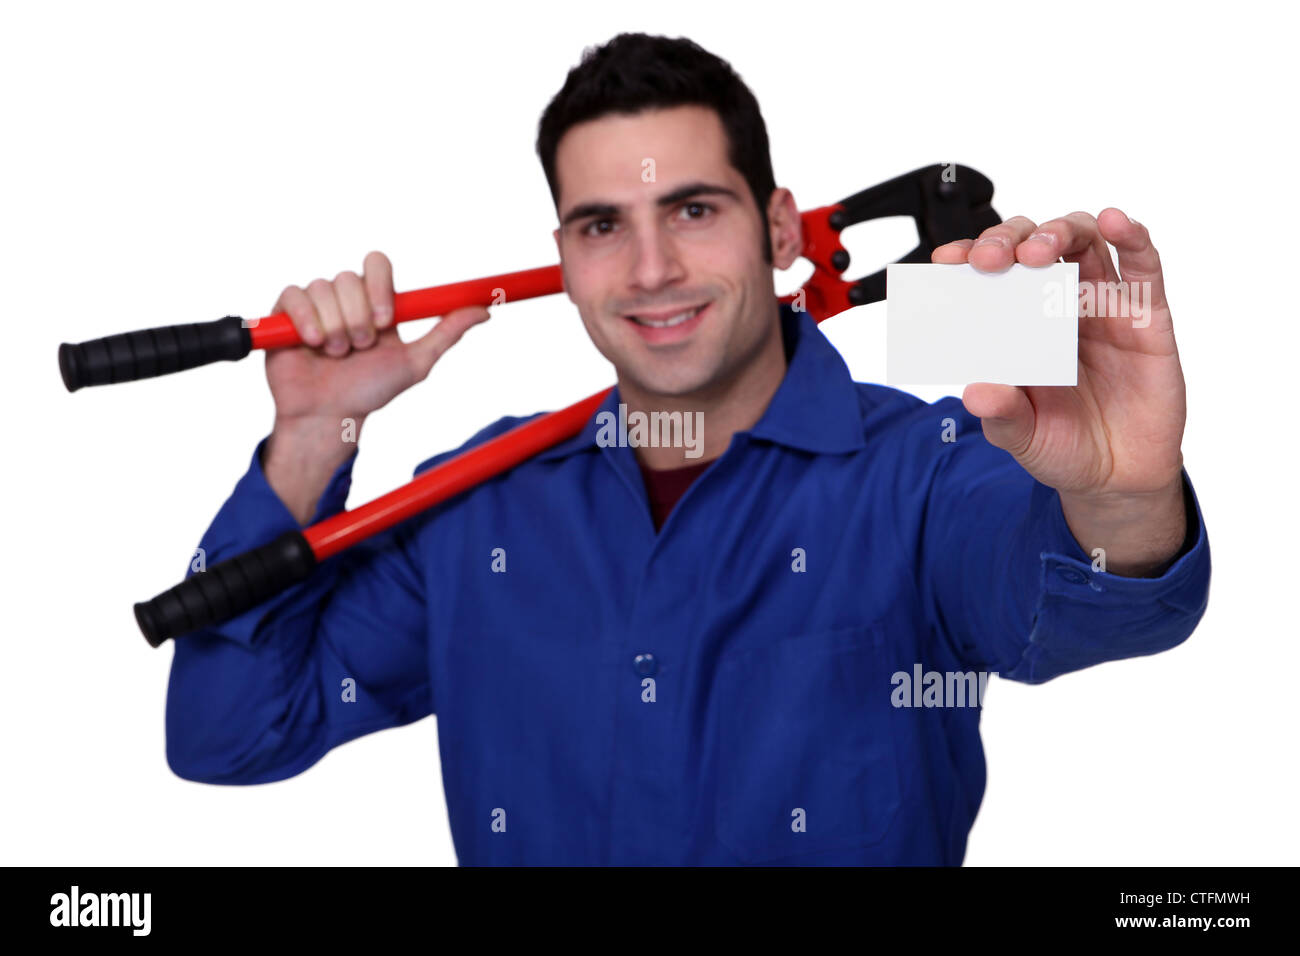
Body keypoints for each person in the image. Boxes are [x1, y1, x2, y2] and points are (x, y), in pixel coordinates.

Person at [165, 32, 1210, 865]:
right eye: (602, 226)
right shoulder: (477, 508)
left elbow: (1095, 603)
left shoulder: (928, 470)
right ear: (565, 259)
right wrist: (313, 436)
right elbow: (229, 732)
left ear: (783, 230)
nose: (653, 268)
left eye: (693, 209)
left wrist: (1123, 491)